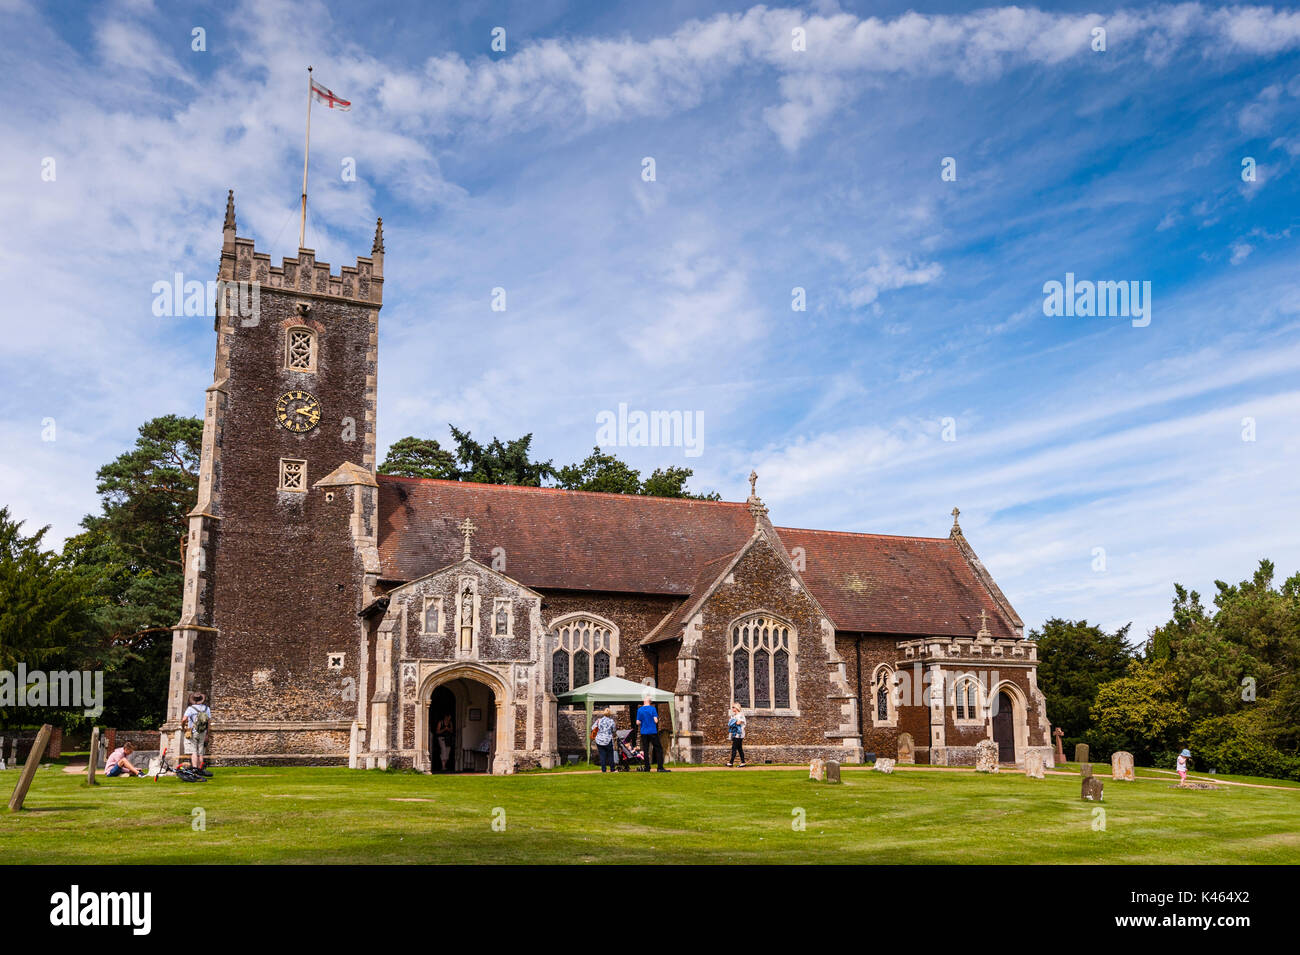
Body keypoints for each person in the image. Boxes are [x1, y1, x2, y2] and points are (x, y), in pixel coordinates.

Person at [182, 692, 213, 777]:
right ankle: (200, 769)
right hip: (203, 732)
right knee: (200, 752)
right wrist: (208, 734)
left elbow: (184, 719)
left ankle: (195, 768)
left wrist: (183, 727)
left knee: (194, 752)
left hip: (193, 732)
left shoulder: (190, 708)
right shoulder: (207, 708)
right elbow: (209, 722)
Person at [636, 694, 669, 772]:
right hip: (652, 732)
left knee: (646, 750)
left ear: (644, 701)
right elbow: (656, 721)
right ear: (650, 702)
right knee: (659, 749)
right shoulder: (653, 709)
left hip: (644, 732)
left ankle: (647, 767)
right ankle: (660, 767)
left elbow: (637, 722)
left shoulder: (640, 710)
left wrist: (644, 721)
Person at [594, 708, 617, 773]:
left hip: (599, 740)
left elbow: (593, 728)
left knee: (602, 756)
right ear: (609, 714)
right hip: (608, 740)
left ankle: (603, 770)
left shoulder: (599, 720)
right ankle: (612, 769)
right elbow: (614, 730)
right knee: (610, 755)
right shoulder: (611, 721)